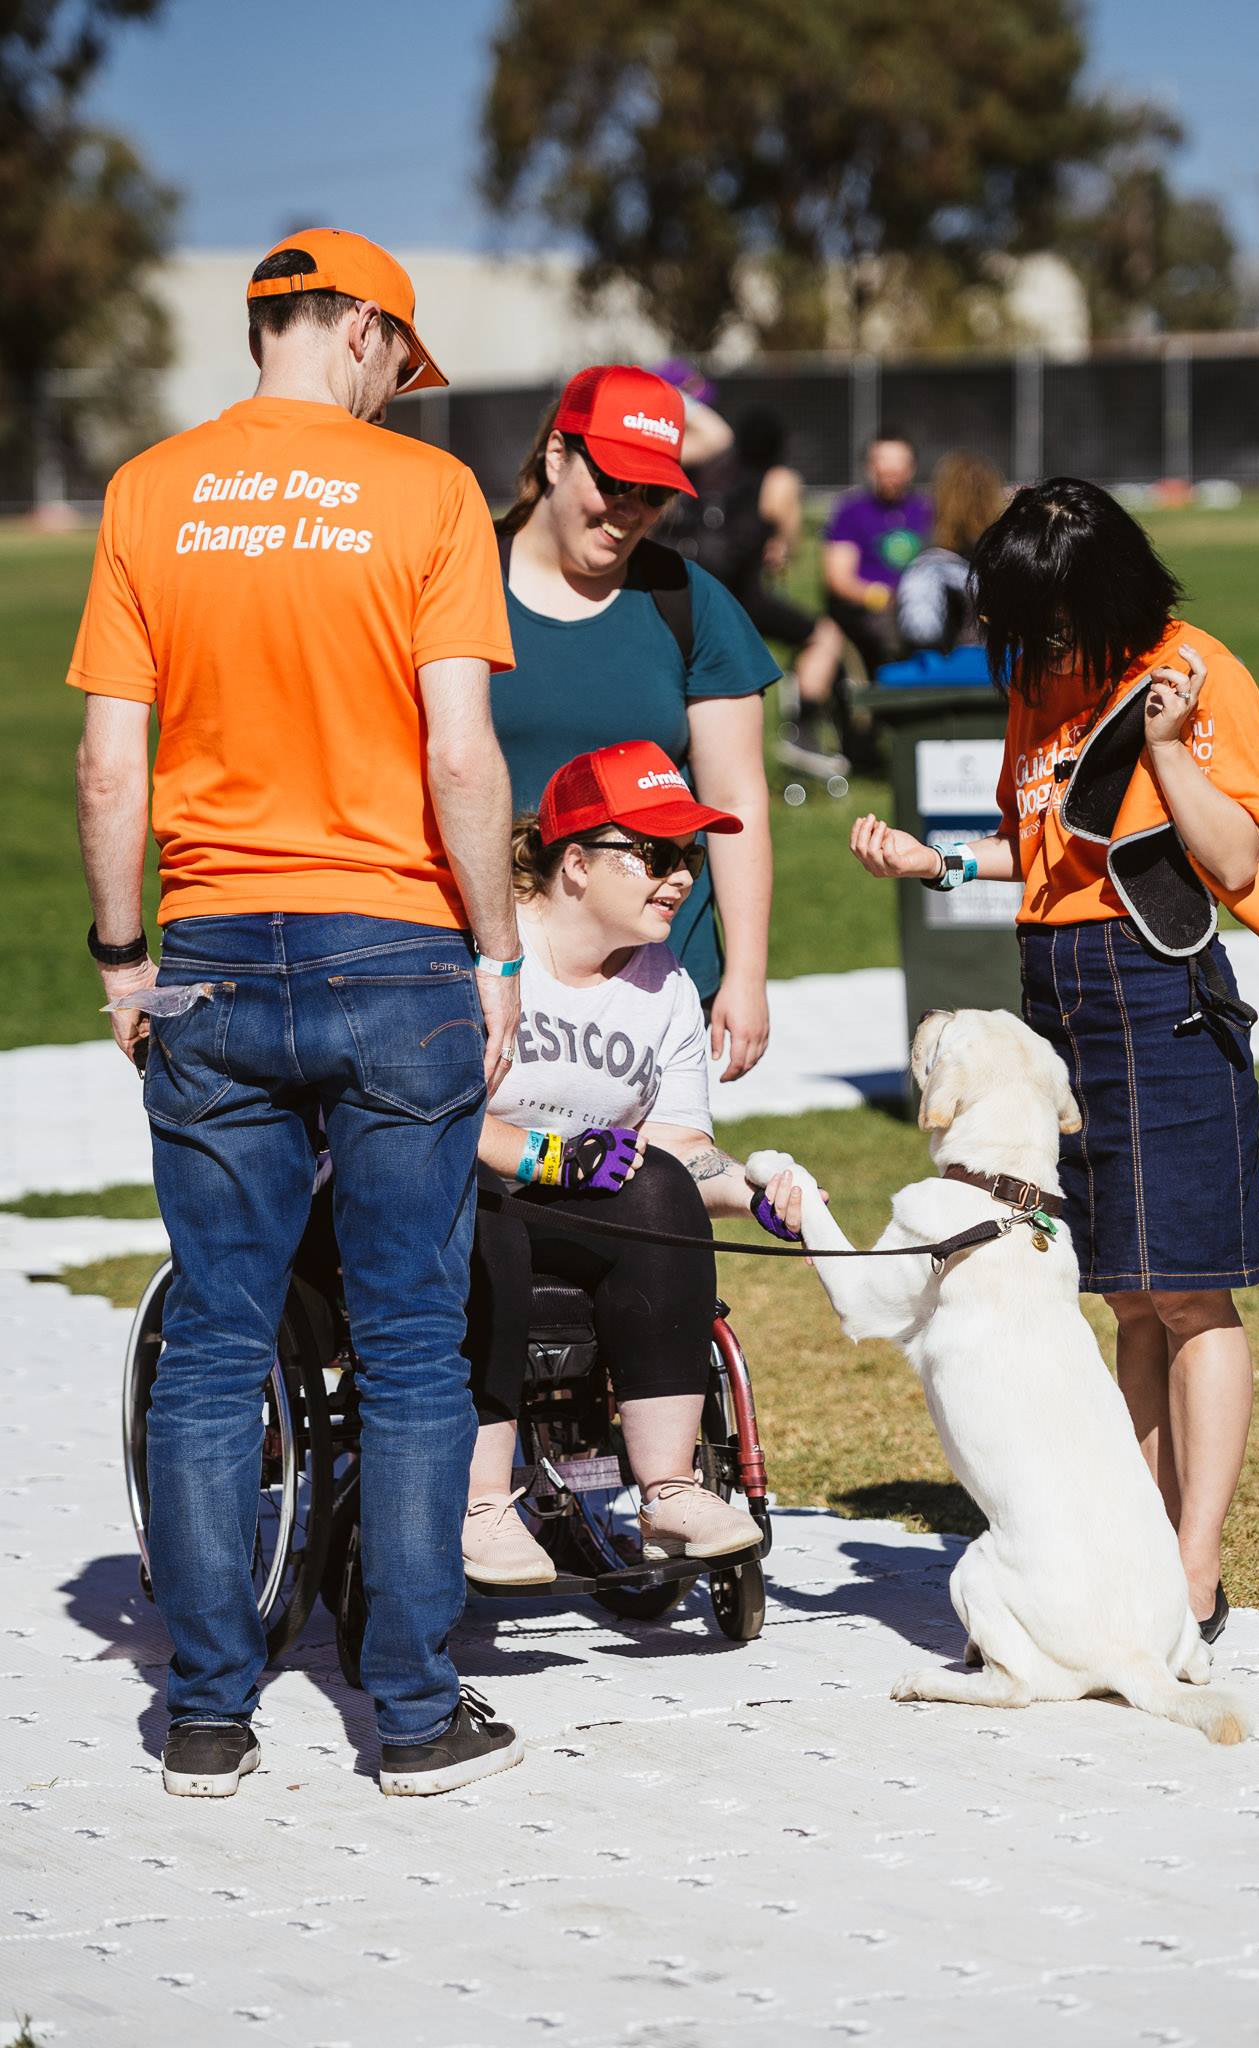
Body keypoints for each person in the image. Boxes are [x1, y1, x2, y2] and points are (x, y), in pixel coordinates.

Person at [69, 228, 525, 1800]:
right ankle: (413, 1717)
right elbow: (460, 753)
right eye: (401, 362)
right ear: (361, 331)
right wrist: (499, 955)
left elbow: (109, 768)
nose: (401, 391)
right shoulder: (429, 495)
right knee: (408, 1349)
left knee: (214, 1339)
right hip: (395, 949)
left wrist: (121, 960)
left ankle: (207, 1715)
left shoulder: (147, 492)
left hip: (205, 951)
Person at [847, 476, 1259, 1647]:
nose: (1036, 649)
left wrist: (1163, 746)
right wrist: (938, 863)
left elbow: (1234, 857)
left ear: (1102, 595)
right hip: (1055, 988)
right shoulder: (1036, 679)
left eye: (1048, 624)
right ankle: (1136, 1544)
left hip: (1156, 986)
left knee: (1186, 1286)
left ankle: (1192, 1568)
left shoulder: (1191, 671)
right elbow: (1040, 844)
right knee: (1124, 1293)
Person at [457, 741, 810, 1585]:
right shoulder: (481, 949)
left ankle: (669, 1490)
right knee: (486, 1216)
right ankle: (480, 1502)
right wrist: (552, 1157)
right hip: (452, 1199)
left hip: (568, 1207)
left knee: (659, 1191)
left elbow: (681, 1148)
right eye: (653, 854)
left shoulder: (666, 986)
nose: (679, 877)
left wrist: (755, 1194)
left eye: (688, 856)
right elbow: (429, 1117)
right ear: (575, 864)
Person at [492, 364, 779, 1081]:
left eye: (652, 493)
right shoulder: (459, 579)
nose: (629, 509)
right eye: (613, 481)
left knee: (654, 1158)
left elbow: (736, 801)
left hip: (653, 983)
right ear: (556, 455)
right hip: (493, 968)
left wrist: (745, 975)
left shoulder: (688, 601)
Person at [675, 407, 846, 777]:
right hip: (742, 598)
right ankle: (803, 733)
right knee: (824, 636)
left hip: (688, 590)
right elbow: (789, 543)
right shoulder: (779, 480)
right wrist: (780, 543)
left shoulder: (706, 470)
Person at [822, 427, 932, 675]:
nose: (890, 473)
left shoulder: (926, 510)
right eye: (883, 464)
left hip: (922, 606)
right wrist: (882, 597)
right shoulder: (850, 511)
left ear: (911, 468)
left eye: (898, 465)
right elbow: (839, 579)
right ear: (870, 467)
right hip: (869, 612)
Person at [896, 452, 1006, 655]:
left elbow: (920, 630)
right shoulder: (1011, 556)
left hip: (948, 663)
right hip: (1005, 664)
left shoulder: (930, 565)